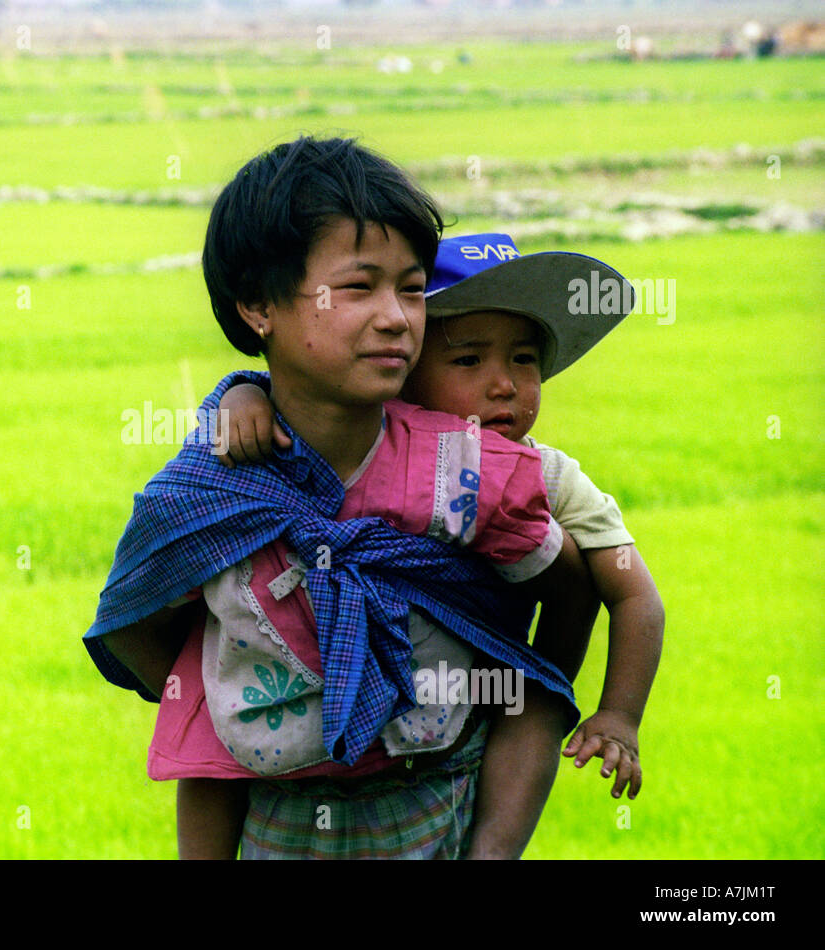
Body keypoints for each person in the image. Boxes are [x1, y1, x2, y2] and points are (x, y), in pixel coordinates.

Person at [83, 136, 604, 859]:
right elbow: (132, 620)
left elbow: (571, 586)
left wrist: (530, 701)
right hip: (274, 824)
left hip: (437, 813)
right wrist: (246, 699)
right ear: (259, 304)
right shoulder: (212, 485)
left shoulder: (461, 469)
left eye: (413, 289)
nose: (396, 317)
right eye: (359, 288)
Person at [205, 232, 664, 854]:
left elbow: (636, 594)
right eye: (469, 361)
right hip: (304, 731)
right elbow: (292, 401)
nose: (504, 385)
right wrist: (240, 392)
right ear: (404, 367)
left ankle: (495, 848)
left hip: (474, 708)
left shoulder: (550, 477)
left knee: (535, 699)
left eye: (524, 360)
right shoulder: (362, 442)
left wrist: (619, 717)